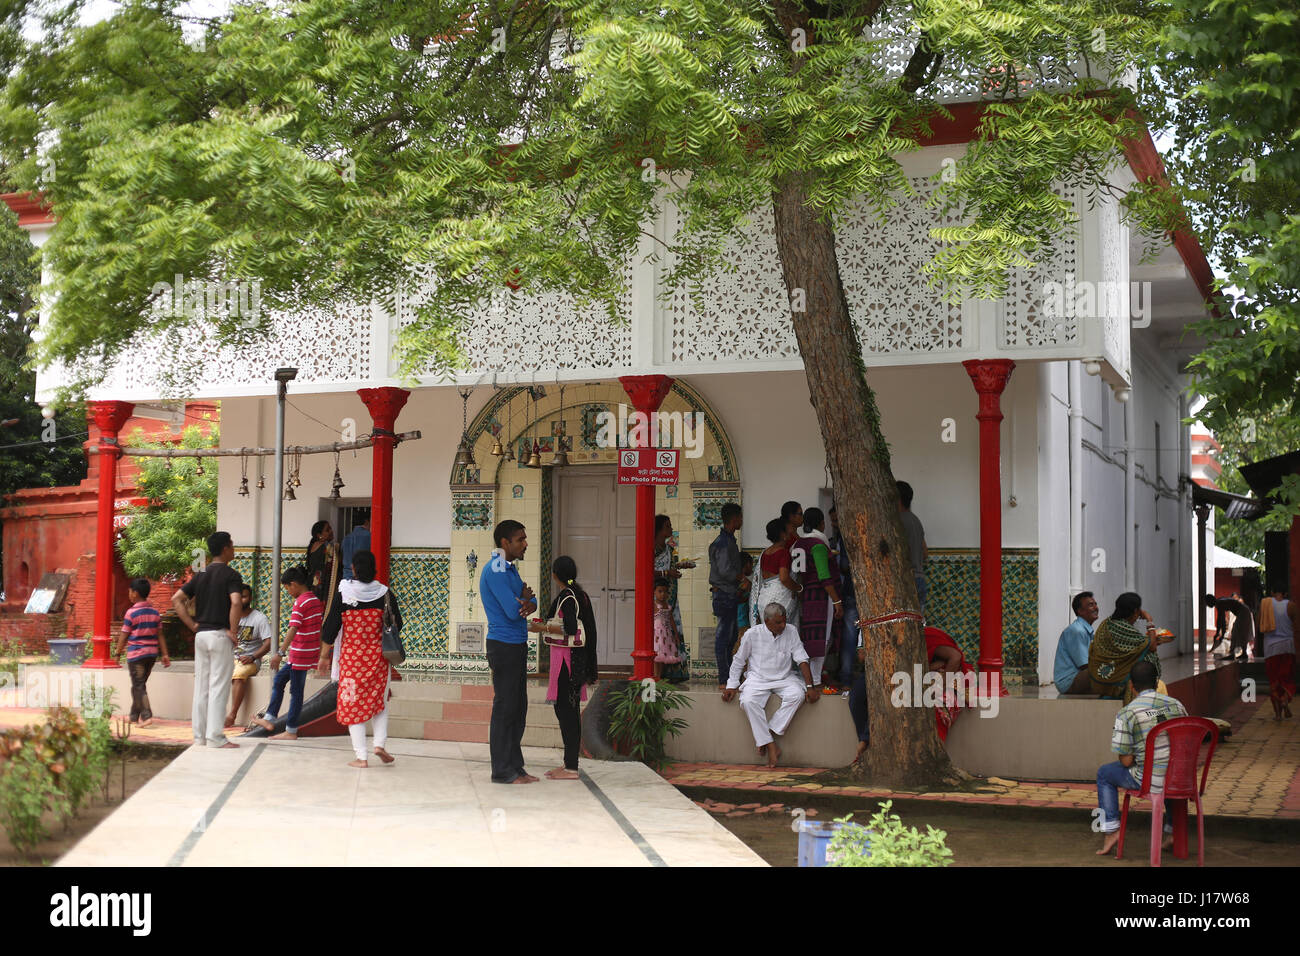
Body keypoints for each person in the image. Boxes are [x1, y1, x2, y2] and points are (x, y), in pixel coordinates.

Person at [1094, 660, 1186, 856]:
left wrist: (1142, 754)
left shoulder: (1127, 713)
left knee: (1104, 773)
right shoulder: (1177, 705)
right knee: (1168, 767)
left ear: (1131, 685)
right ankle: (1172, 831)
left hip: (1148, 780)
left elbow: (1126, 762)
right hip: (1180, 779)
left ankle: (1111, 830)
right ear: (1157, 682)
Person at [320, 549, 403, 767]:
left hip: (350, 662)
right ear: (374, 568)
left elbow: (330, 628)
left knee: (351, 704)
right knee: (380, 702)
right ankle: (379, 744)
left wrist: (323, 656)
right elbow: (398, 625)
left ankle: (361, 757)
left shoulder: (345, 594)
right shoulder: (385, 593)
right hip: (378, 659)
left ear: (354, 569)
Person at [527, 556, 598, 779]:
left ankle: (570, 768)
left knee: (566, 712)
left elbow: (568, 628)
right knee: (569, 711)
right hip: (575, 663)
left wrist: (542, 628)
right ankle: (569, 764)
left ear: (555, 575)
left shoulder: (568, 597)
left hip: (568, 664)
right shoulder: (579, 594)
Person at [722, 603, 818, 768]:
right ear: (766, 621)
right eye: (778, 623)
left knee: (797, 695)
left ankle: (766, 735)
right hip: (758, 679)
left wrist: (810, 686)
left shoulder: (791, 631)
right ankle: (771, 745)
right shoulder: (752, 634)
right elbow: (738, 660)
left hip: (784, 678)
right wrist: (731, 685)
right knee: (747, 701)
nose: (783, 626)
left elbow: (802, 659)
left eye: (784, 621)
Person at [174, 531, 244, 749]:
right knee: (219, 686)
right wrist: (233, 631)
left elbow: (176, 599)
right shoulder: (231, 575)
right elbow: (235, 602)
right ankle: (215, 737)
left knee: (202, 686)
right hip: (219, 635)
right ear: (225, 548)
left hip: (201, 636)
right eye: (231, 545)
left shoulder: (201, 575)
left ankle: (200, 737)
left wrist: (193, 625)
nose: (233, 549)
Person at [480, 520, 538, 784]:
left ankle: (516, 766)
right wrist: (525, 601)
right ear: (505, 543)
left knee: (518, 707)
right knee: (505, 707)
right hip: (503, 645)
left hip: (516, 644)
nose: (525, 544)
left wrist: (527, 600)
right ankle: (502, 770)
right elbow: (513, 611)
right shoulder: (495, 570)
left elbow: (531, 601)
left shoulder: (509, 569)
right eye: (520, 539)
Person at [252, 567, 325, 741]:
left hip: (299, 653)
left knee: (296, 692)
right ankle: (270, 719)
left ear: (293, 584)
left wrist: (279, 652)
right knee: (279, 681)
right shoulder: (314, 600)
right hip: (307, 652)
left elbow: (293, 628)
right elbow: (319, 628)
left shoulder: (300, 602)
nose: (288, 592)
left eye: (287, 588)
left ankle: (291, 730)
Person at [792, 507, 843, 689]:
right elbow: (824, 576)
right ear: (822, 523)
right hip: (821, 597)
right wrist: (837, 601)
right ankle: (815, 679)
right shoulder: (818, 544)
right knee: (822, 637)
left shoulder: (798, 544)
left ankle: (808, 677)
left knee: (809, 636)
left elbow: (797, 574)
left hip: (806, 595)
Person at [114, 578, 169, 727]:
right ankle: (133, 716)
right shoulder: (155, 613)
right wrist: (165, 654)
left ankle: (147, 716)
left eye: (130, 592)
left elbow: (124, 635)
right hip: (151, 655)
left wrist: (117, 653)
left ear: (135, 593)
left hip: (136, 655)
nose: (129, 594)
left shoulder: (131, 613)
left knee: (138, 685)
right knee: (139, 685)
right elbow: (160, 635)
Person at [1088, 592, 1161, 702]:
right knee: (1145, 659)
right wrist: (1149, 620)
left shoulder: (1107, 623)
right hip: (1117, 681)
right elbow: (1151, 646)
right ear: (1136, 611)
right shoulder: (1123, 628)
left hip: (1100, 678)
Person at [708, 502, 744, 689]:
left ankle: (729, 676)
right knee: (723, 637)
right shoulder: (723, 543)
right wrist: (742, 578)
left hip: (729, 593)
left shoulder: (728, 540)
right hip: (724, 594)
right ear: (734, 518)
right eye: (740, 517)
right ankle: (724, 678)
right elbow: (724, 571)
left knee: (730, 637)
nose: (742, 520)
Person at [226, 585, 272, 727]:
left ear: (250, 598)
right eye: (238, 597)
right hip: (229, 658)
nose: (241, 600)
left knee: (239, 674)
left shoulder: (259, 618)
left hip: (250, 660)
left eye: (244, 596)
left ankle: (232, 715)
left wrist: (253, 656)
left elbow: (269, 643)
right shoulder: (228, 616)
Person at [653, 514, 692, 679]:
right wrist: (666, 572)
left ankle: (673, 673)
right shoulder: (651, 548)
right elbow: (645, 571)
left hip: (670, 596)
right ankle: (656, 673)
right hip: (656, 597)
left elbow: (670, 566)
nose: (671, 529)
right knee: (658, 635)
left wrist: (678, 567)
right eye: (668, 526)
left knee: (672, 631)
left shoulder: (669, 549)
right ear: (660, 529)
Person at [749, 517, 803, 629]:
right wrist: (798, 588)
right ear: (783, 534)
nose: (790, 531)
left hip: (764, 599)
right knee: (782, 635)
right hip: (779, 600)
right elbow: (784, 578)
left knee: (769, 635)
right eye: (788, 529)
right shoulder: (783, 553)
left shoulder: (765, 553)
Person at [828, 506, 859, 696]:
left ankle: (847, 679)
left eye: (836, 520)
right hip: (856, 593)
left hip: (851, 592)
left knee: (849, 637)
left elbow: (845, 565)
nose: (834, 524)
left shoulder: (847, 538)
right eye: (832, 520)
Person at [925, 626, 974, 741]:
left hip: (955, 677)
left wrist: (938, 688)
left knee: (937, 714)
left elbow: (956, 657)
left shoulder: (926, 636)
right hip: (937, 674)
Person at [1259, 587, 1298, 721]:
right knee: (1287, 679)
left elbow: (1260, 623)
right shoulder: (1291, 606)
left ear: (1271, 592)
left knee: (1274, 681)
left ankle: (1277, 715)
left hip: (1271, 648)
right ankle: (1285, 699)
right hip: (1288, 647)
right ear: (1286, 593)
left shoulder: (1265, 604)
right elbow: (1296, 627)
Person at [1054, 591, 1100, 695]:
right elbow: (1084, 665)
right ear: (1080, 611)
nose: (1095, 607)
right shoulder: (1077, 631)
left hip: (1077, 677)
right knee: (1107, 671)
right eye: (1090, 605)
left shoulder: (1084, 629)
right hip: (1068, 682)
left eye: (1095, 604)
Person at [897, 481, 928, 610]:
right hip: (920, 579)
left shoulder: (897, 522)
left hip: (905, 582)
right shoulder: (916, 521)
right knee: (918, 626)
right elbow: (925, 553)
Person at [1204, 593, 1254, 663]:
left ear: (1210, 601)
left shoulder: (1219, 603)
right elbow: (1221, 621)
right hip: (1244, 612)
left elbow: (1221, 621)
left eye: (1207, 603)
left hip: (1243, 612)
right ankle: (1239, 653)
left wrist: (1219, 634)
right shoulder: (1219, 601)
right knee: (1237, 633)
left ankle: (1236, 654)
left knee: (1237, 633)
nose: (1207, 606)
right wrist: (1219, 633)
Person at [305, 520, 341, 614]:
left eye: (330, 528)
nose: (331, 531)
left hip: (312, 586)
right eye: (327, 530)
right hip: (322, 587)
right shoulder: (327, 547)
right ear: (319, 535)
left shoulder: (312, 546)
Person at [652, 577, 680, 679]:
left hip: (666, 634)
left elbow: (671, 620)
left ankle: (659, 676)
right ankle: (655, 676)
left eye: (665, 592)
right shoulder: (653, 605)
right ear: (654, 592)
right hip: (657, 635)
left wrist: (675, 634)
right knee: (656, 657)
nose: (663, 594)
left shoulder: (668, 606)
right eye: (660, 591)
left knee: (663, 657)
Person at [340, 509, 372, 582]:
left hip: (346, 578)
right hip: (363, 577)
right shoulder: (370, 537)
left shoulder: (346, 538)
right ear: (367, 521)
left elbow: (342, 555)